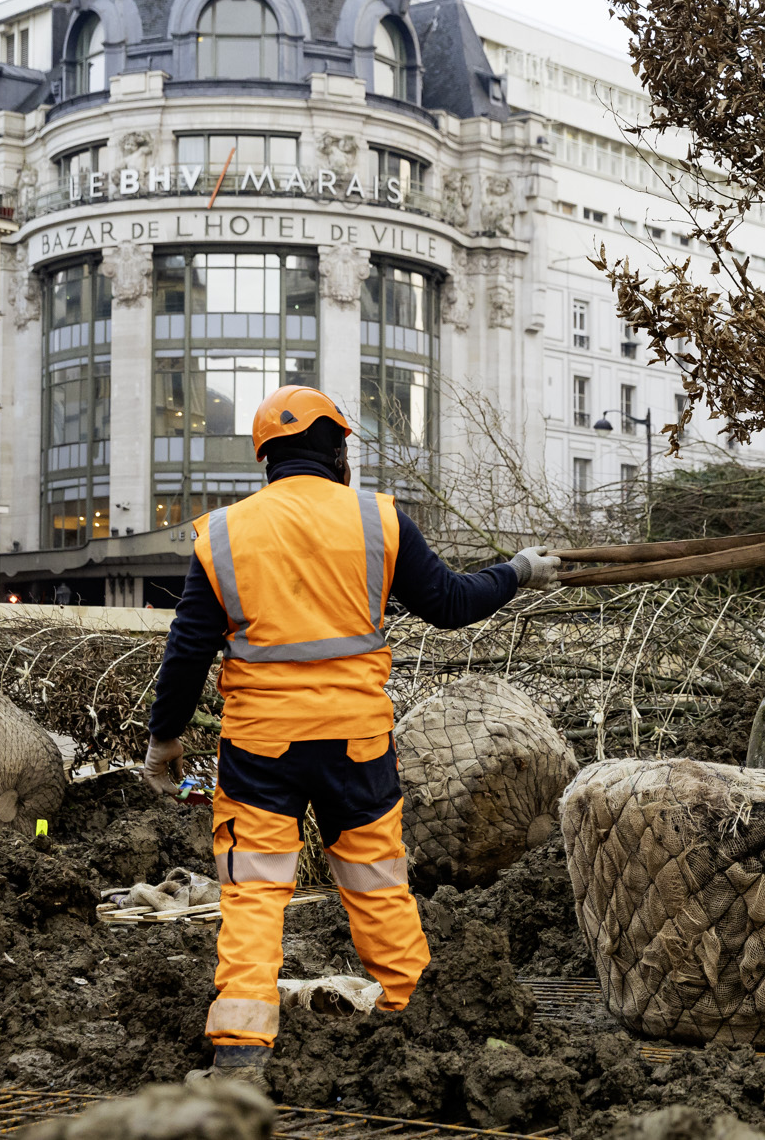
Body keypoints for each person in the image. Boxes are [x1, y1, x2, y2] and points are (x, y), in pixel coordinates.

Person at [143, 385, 562, 1088]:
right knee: (375, 883)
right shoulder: (379, 520)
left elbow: (187, 650)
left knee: (253, 891)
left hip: (260, 748)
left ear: (266, 458)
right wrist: (519, 569)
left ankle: (241, 1051)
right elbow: (452, 604)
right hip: (356, 743)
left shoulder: (224, 532)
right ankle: (407, 1007)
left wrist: (164, 742)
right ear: (338, 452)